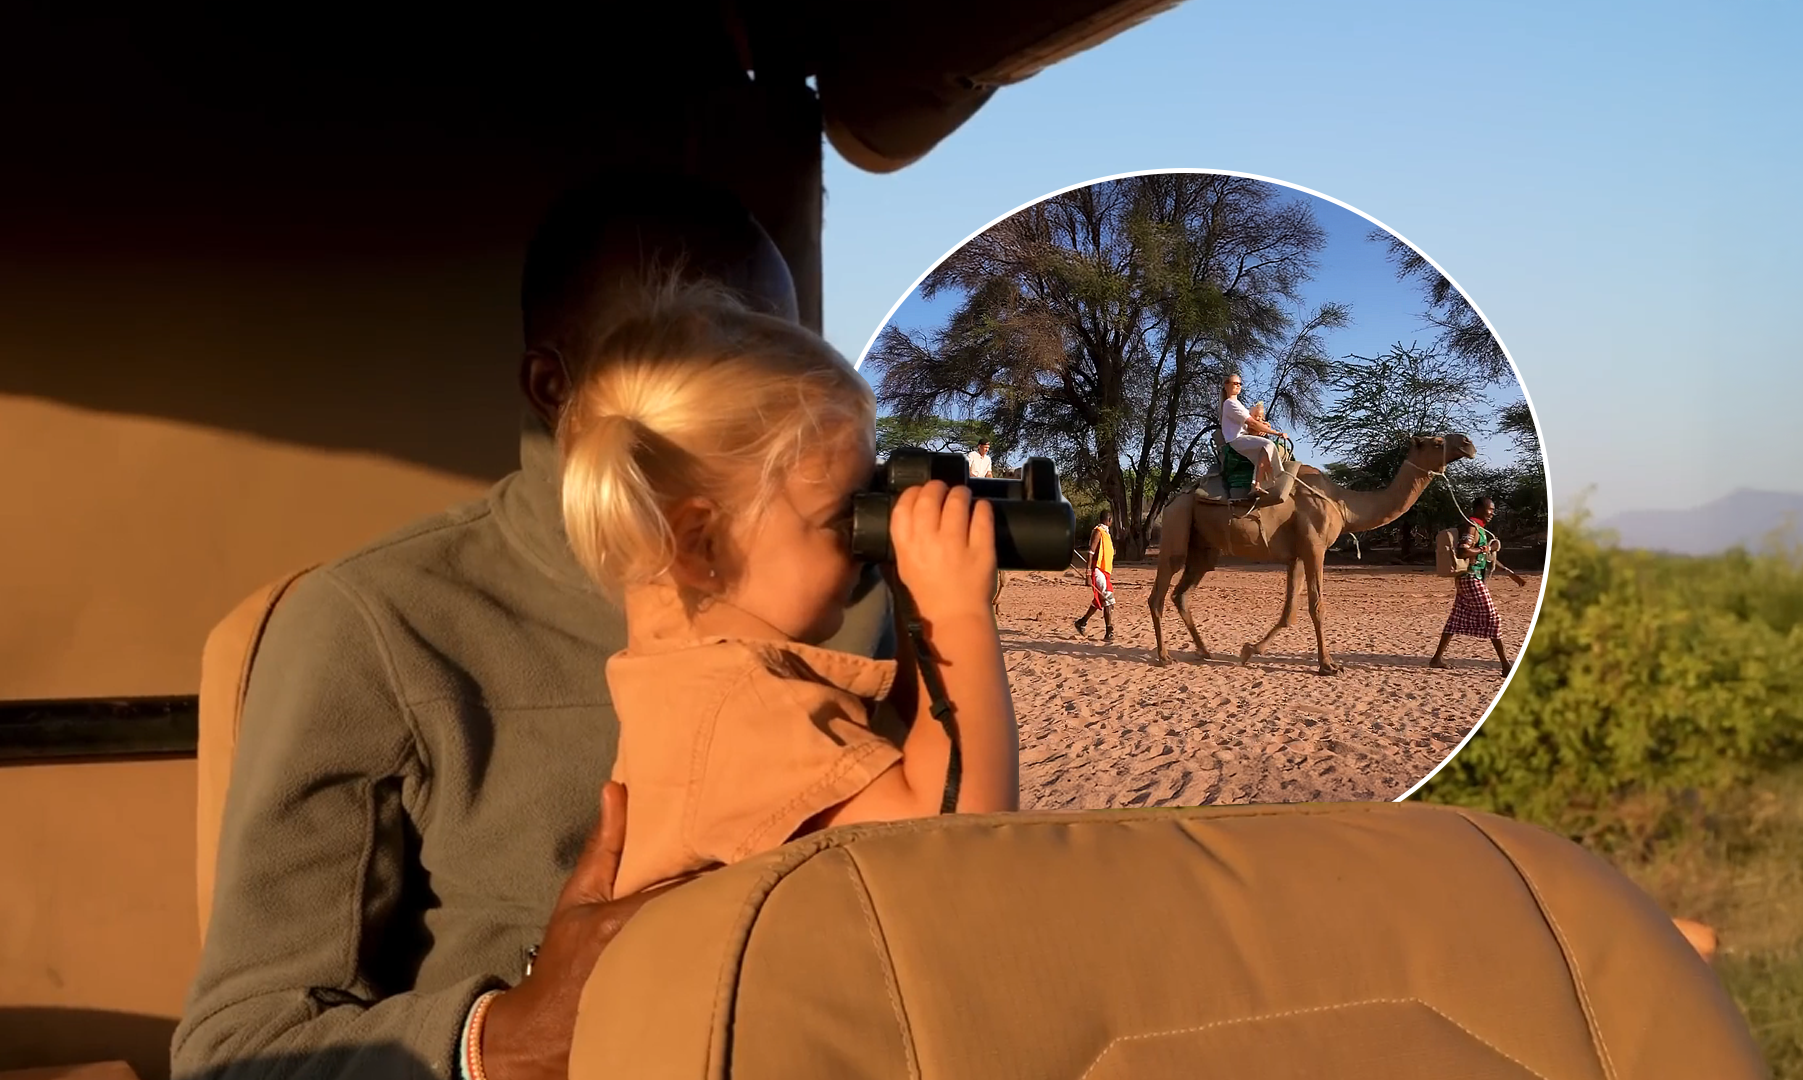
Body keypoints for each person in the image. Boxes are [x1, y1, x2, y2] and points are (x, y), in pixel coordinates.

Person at [172, 173, 894, 1080]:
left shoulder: (863, 602)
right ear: (556, 386)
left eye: (773, 351)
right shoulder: (381, 627)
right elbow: (237, 1052)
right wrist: (502, 1039)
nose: (748, 393)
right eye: (687, 356)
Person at [554, 276, 1017, 902]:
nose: (862, 542)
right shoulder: (736, 710)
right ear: (702, 543)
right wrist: (955, 612)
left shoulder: (690, 684)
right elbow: (955, 842)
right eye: (840, 517)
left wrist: (913, 596)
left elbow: (906, 748)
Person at [1430, 496, 1527, 677]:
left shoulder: (1478, 528)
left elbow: (1486, 558)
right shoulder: (1472, 527)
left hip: (1468, 579)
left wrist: (1510, 573)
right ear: (1479, 509)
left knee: (1455, 619)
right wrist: (1485, 549)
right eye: (1490, 510)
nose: (1492, 513)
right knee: (1493, 618)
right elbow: (1463, 551)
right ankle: (1506, 666)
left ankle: (1436, 658)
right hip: (1470, 579)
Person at [1219, 373, 1288, 493]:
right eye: (1235, 383)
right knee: (1268, 445)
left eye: (1240, 384)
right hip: (1237, 440)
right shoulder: (1230, 403)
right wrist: (1276, 433)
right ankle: (1258, 484)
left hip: (1243, 437)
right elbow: (1252, 423)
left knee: (1262, 453)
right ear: (1226, 386)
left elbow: (1251, 425)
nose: (1238, 386)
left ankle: (1259, 485)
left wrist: (1263, 427)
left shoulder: (1237, 403)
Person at [1072, 509, 1117, 643]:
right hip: (1097, 570)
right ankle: (1109, 631)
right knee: (1108, 599)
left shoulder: (1105, 533)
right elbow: (1091, 553)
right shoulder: (1098, 532)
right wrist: (1088, 574)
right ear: (1109, 520)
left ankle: (1082, 622)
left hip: (1105, 571)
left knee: (1100, 600)